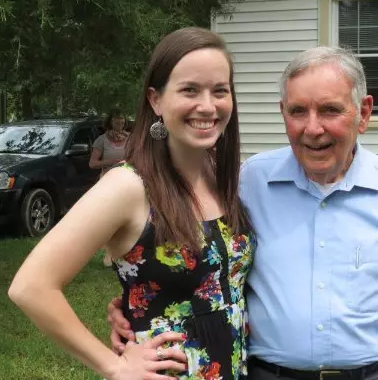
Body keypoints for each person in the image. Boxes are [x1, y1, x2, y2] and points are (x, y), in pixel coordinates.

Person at [109, 45, 378, 379]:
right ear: (283, 113)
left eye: (329, 110)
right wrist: (133, 304)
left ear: (363, 113)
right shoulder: (249, 181)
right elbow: (208, 258)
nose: (312, 128)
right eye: (297, 111)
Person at [8, 26, 255, 380]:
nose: (207, 105)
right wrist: (113, 366)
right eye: (189, 90)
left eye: (220, 90)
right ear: (156, 100)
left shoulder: (223, 176)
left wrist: (128, 303)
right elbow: (31, 286)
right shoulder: (129, 186)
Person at [89, 110, 130, 267]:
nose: (119, 122)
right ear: (110, 121)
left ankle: (122, 253)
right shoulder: (102, 140)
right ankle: (109, 254)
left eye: (121, 119)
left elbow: (139, 156)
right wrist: (115, 160)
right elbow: (92, 163)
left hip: (128, 182)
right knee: (110, 219)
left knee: (125, 220)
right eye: (116, 119)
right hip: (108, 182)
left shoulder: (130, 138)